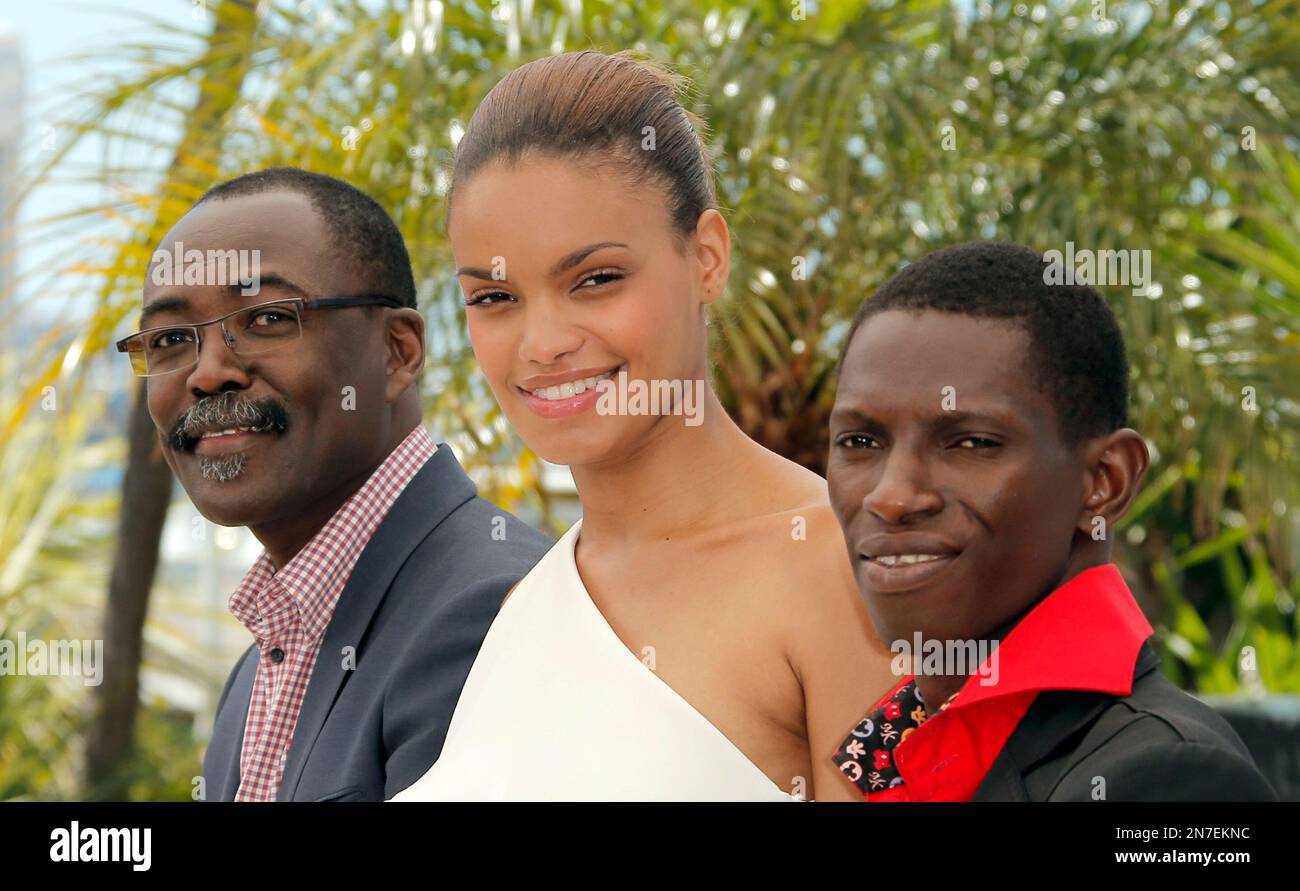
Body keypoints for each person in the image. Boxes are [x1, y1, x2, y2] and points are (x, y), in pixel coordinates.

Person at [391, 51, 898, 802]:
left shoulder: (849, 577)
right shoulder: (518, 611)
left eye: (595, 280)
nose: (544, 342)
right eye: (496, 297)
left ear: (707, 257)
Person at [116, 167, 550, 801]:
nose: (209, 373)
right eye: (171, 339)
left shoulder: (493, 617)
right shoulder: (265, 659)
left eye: (266, 318)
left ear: (397, 352)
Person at [825, 240, 1276, 801]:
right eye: (860, 441)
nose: (891, 496)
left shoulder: (1171, 780)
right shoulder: (892, 753)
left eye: (971, 442)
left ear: (1104, 481)